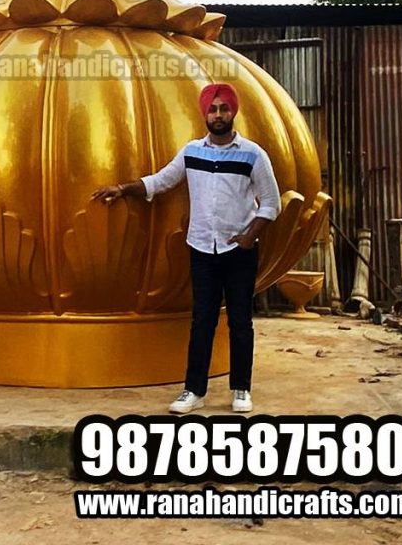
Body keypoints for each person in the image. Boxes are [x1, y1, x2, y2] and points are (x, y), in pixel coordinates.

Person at [91, 83, 281, 415]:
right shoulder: (193, 152)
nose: (218, 115)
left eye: (224, 109)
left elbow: (272, 203)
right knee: (202, 321)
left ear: (233, 112)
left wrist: (249, 236)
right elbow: (161, 180)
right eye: (213, 109)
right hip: (202, 248)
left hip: (239, 252)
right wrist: (122, 189)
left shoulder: (253, 154)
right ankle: (194, 390)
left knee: (240, 321)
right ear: (205, 114)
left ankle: (241, 388)